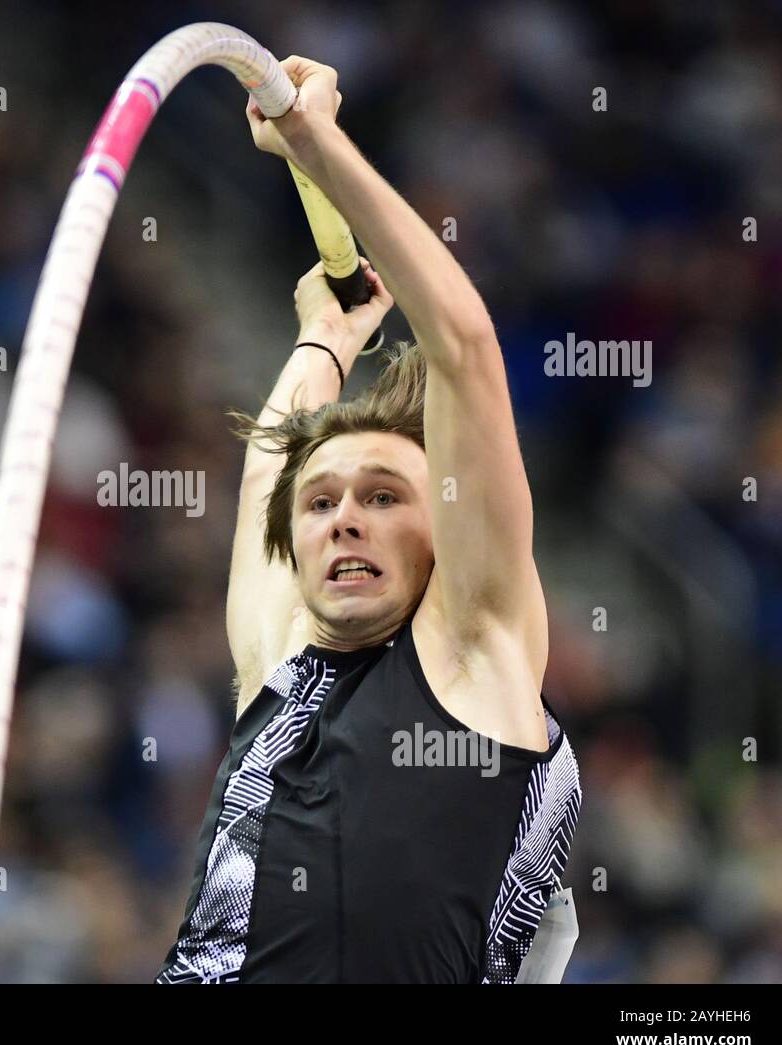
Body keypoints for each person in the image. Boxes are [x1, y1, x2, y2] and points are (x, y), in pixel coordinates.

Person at [156, 56, 581, 984]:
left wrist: (316, 140)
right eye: (324, 504)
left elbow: (461, 344)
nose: (344, 519)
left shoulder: (476, 650)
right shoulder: (279, 673)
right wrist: (326, 338)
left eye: (383, 496)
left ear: (447, 534)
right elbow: (270, 462)